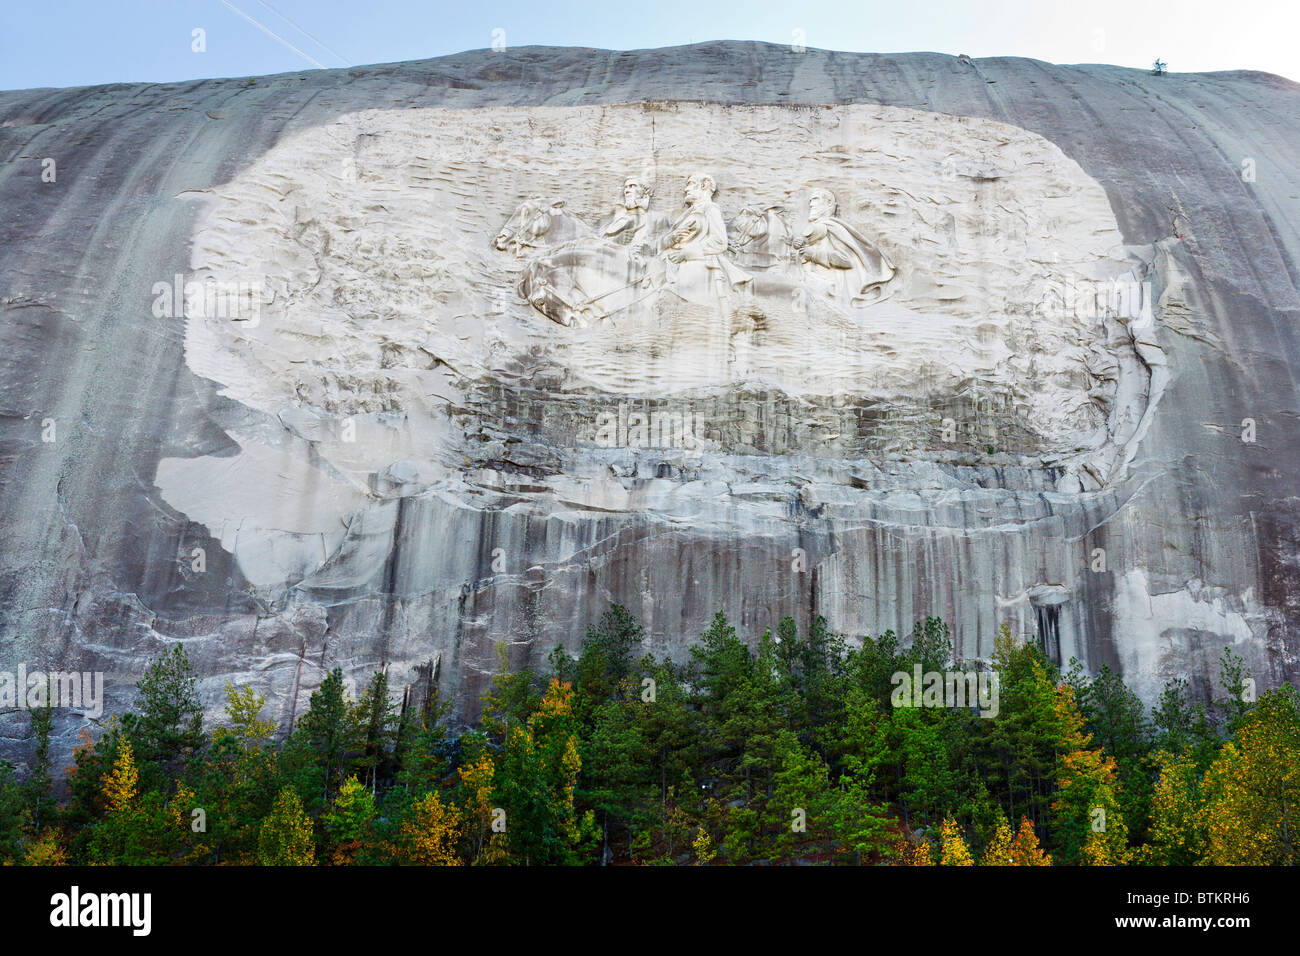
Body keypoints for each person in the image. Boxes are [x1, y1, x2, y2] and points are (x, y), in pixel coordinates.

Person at [793, 188, 895, 304]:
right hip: (811, 288)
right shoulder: (817, 229)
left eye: (816, 199)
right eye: (810, 200)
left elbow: (846, 260)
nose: (811, 204)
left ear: (829, 203)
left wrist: (813, 254)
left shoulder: (833, 228)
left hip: (830, 291)